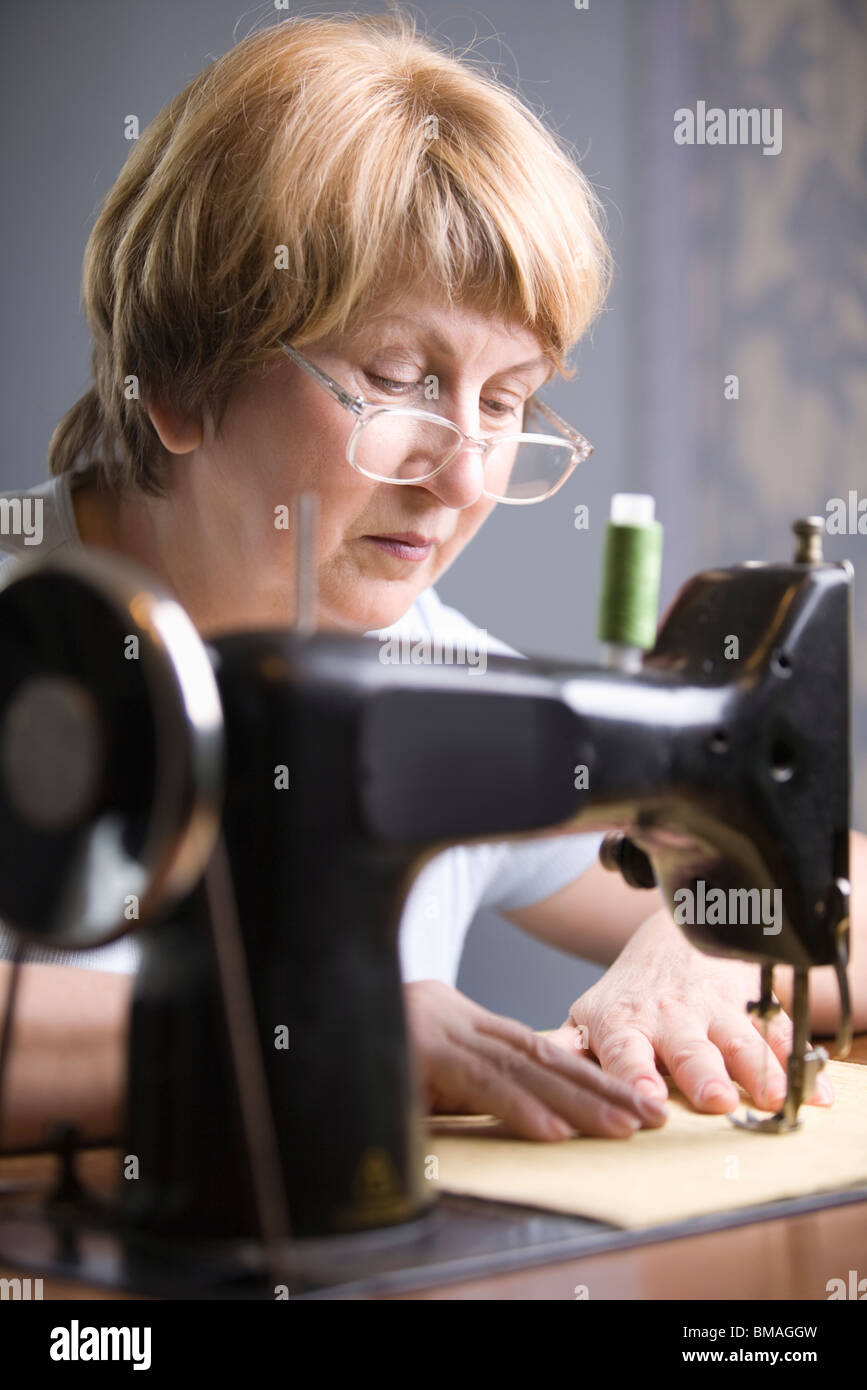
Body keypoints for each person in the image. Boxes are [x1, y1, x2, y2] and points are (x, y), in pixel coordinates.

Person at [0, 12, 863, 1153]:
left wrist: (701, 934)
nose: (463, 475)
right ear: (178, 378)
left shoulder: (431, 669)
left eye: (506, 402)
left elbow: (835, 885)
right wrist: (327, 1031)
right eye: (400, 379)